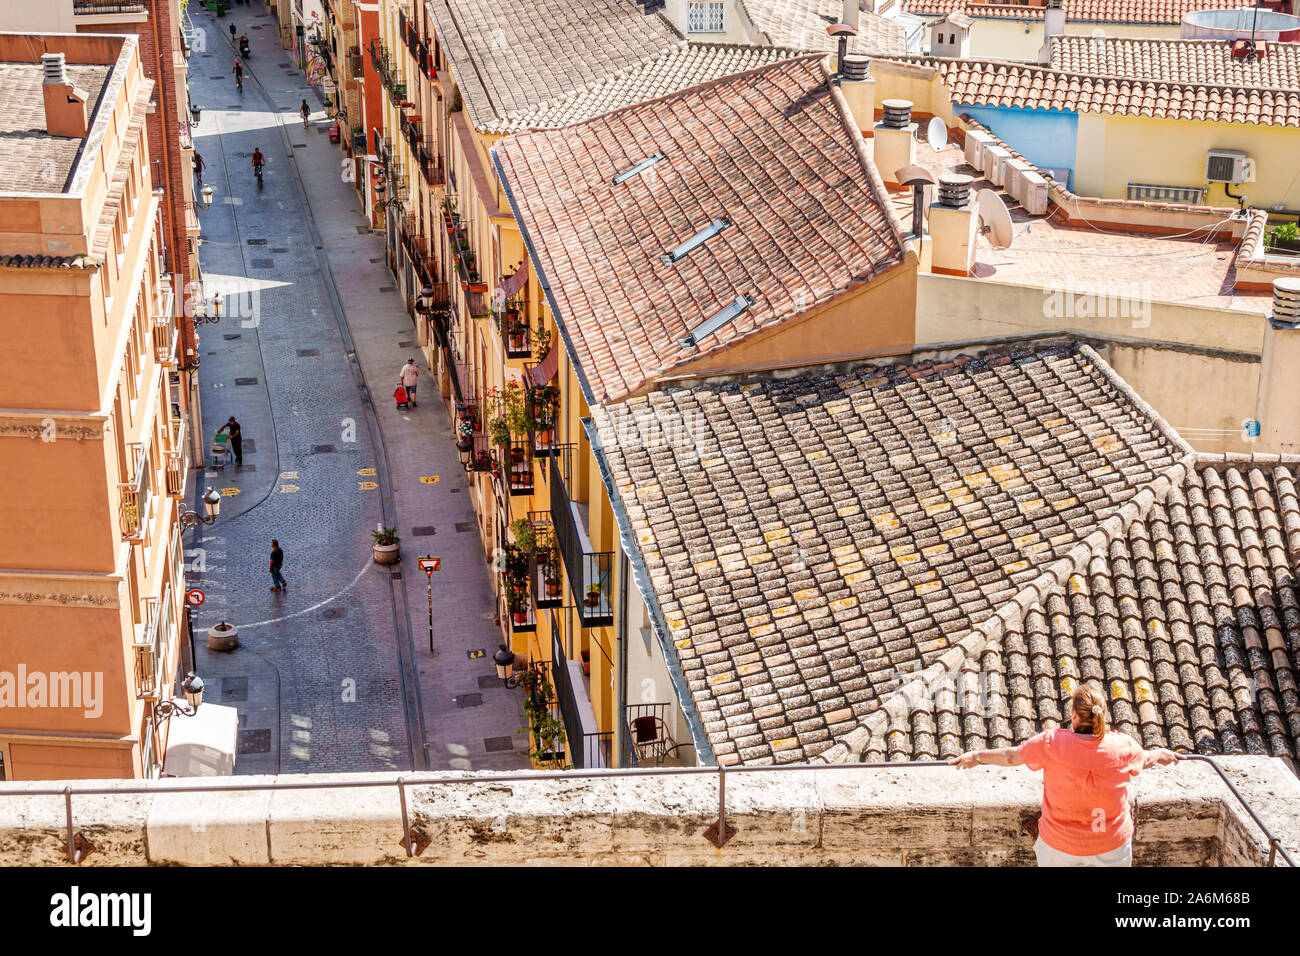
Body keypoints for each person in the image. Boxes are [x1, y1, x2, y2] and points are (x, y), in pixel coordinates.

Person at [951, 686, 1182, 867]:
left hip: (1060, 846)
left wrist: (976, 757)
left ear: (1074, 717)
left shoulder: (1052, 743)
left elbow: (1013, 757)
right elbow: (1147, 759)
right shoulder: (1123, 746)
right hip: (1112, 844)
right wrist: (1161, 753)